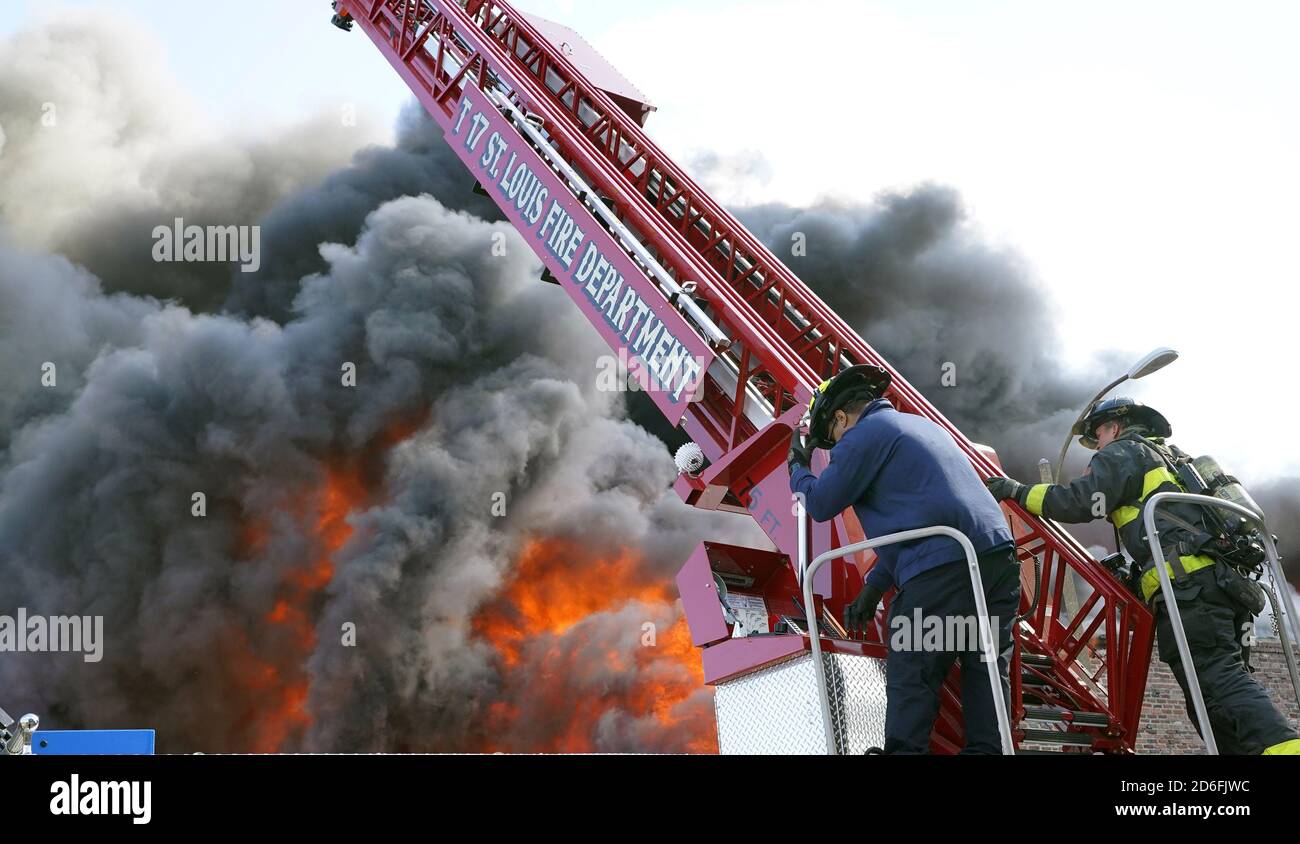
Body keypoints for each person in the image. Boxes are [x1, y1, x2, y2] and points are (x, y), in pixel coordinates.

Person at [986, 397, 1299, 755]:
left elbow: (1080, 501)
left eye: (1098, 435)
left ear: (1114, 428)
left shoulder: (1123, 452)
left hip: (1190, 591)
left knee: (1217, 677)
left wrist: (1017, 491)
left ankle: (1285, 749)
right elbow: (1173, 534)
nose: (1098, 445)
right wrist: (1136, 579)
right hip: (1219, 586)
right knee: (1208, 697)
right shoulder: (1174, 463)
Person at [788, 365, 1020, 754]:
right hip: (995, 561)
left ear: (841, 417)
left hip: (946, 567)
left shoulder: (862, 437)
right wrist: (874, 586)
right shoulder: (923, 427)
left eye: (832, 437)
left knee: (914, 667)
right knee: (985, 670)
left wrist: (797, 468)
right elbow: (926, 519)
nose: (836, 447)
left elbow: (822, 503)